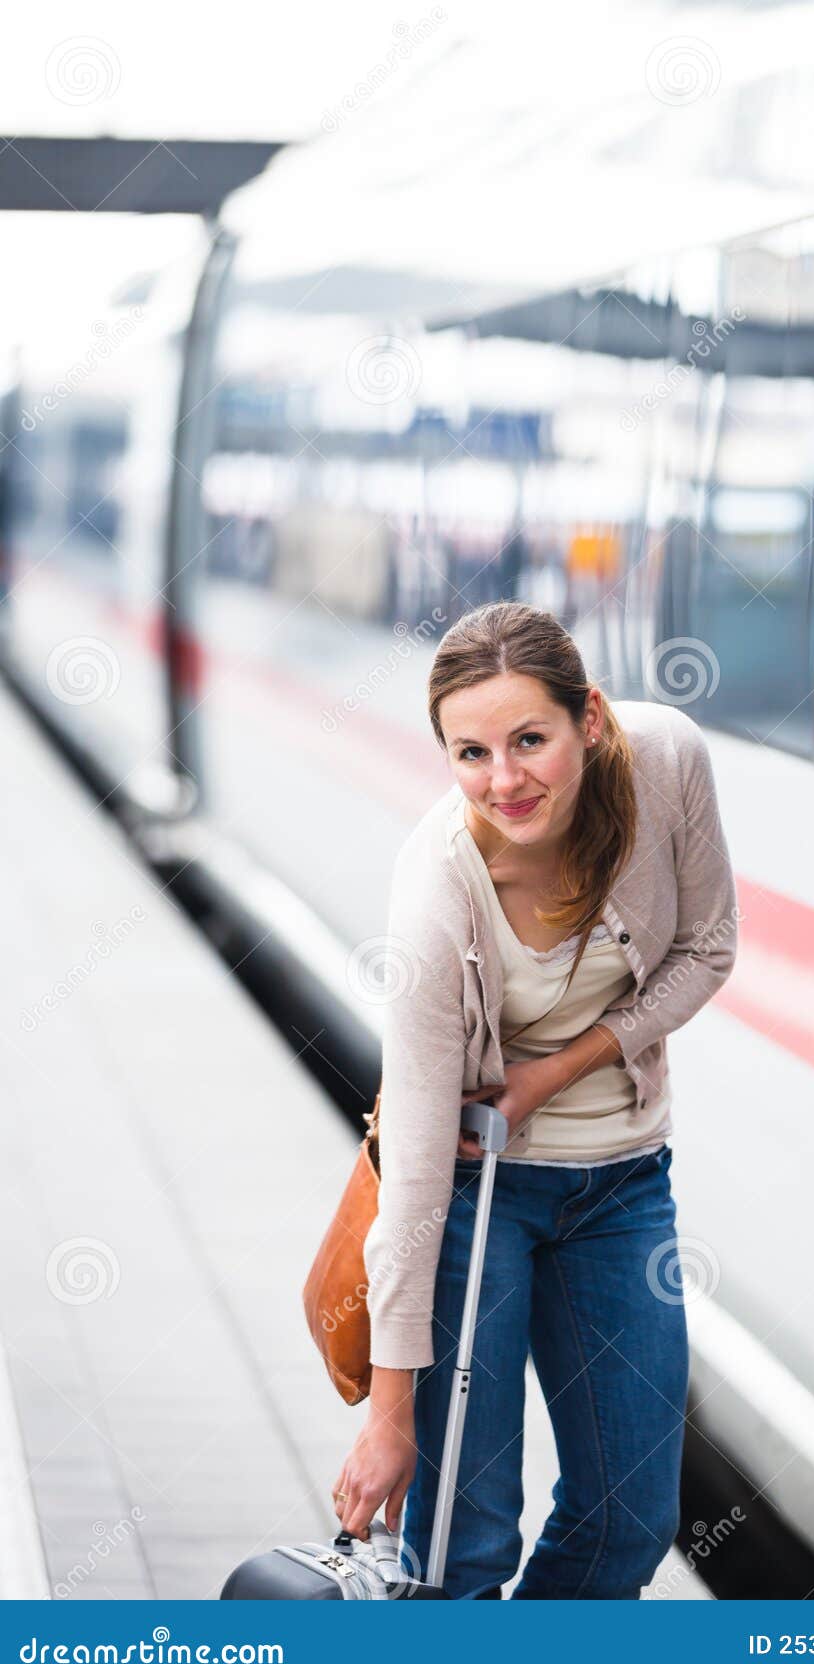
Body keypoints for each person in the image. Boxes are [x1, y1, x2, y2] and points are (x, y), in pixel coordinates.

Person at [332, 600, 737, 1598]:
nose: (503, 778)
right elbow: (417, 1172)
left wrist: (550, 1074)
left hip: (624, 1182)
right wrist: (388, 1418)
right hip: (478, 1199)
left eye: (528, 739)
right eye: (470, 752)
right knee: (465, 1544)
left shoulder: (665, 762)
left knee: (628, 1517)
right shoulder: (436, 887)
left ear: (588, 719)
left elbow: (707, 949)